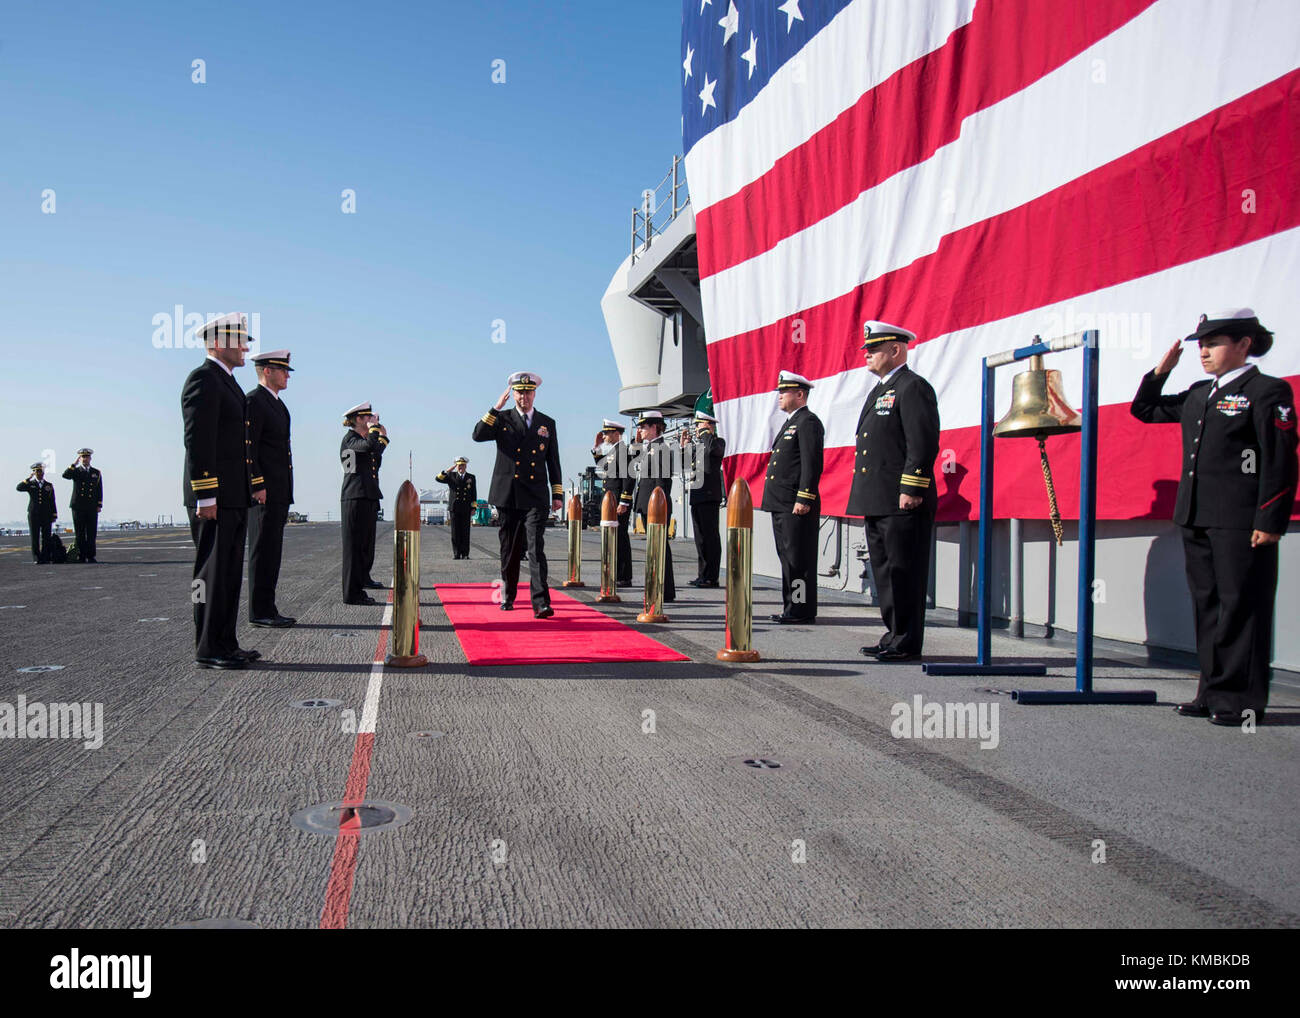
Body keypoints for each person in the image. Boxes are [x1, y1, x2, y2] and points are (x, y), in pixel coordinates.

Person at [1131, 308, 1297, 726]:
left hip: (1243, 521)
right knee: (1208, 607)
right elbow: (1145, 410)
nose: (1204, 350)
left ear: (1244, 345)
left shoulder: (1266, 391)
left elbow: (1279, 461)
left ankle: (1241, 701)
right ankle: (1211, 692)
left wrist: (1270, 519)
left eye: (1214, 342)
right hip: (1197, 516)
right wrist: (1160, 372)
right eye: (1201, 344)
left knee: (1243, 608)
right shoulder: (1200, 392)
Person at [847, 321, 939, 661]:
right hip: (879, 498)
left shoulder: (912, 387)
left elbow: (922, 441)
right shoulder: (881, 390)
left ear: (896, 350)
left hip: (902, 499)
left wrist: (913, 486)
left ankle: (907, 640)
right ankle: (893, 634)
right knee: (885, 570)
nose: (867, 354)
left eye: (874, 348)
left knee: (904, 570)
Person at [181, 312, 257, 669]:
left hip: (232, 496)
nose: (245, 347)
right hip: (214, 497)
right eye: (239, 340)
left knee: (228, 571)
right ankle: (208, 647)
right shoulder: (203, 379)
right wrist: (206, 495)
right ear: (216, 343)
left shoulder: (227, 382)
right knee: (211, 574)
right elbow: (198, 441)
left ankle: (226, 642)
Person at [472, 372, 563, 617]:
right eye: (520, 392)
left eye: (528, 392)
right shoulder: (501, 418)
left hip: (535, 495)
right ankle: (508, 595)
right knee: (510, 550)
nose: (524, 396)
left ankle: (541, 602)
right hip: (508, 495)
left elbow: (553, 460)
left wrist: (557, 493)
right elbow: (477, 435)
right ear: (513, 394)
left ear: (535, 394)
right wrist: (495, 407)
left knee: (535, 548)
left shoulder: (547, 422)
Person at [760, 372, 824, 623]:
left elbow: (811, 463)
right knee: (787, 558)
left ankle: (800, 610)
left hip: (795, 504)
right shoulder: (791, 422)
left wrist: (805, 497)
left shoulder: (807, 422)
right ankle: (791, 607)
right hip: (782, 503)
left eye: (784, 392)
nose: (779, 396)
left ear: (800, 394)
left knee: (798, 560)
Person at [246, 349, 296, 627]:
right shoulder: (255, 401)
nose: (288, 375)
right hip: (264, 492)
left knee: (272, 551)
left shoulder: (278, 404)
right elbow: (249, 447)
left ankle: (269, 606)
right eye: (283, 370)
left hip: (279, 490)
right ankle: (260, 611)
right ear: (267, 370)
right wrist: (257, 484)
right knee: (262, 551)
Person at [340, 402, 388, 605]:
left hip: (367, 496)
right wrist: (375, 430)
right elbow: (369, 446)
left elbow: (375, 453)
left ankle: (363, 579)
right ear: (358, 419)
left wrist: (383, 436)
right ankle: (352, 593)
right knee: (354, 548)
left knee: (366, 546)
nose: (371, 421)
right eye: (368, 418)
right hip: (355, 497)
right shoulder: (350, 439)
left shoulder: (360, 439)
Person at [631, 410, 676, 602]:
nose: (640, 430)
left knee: (659, 548)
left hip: (656, 507)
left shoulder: (661, 449)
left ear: (655, 427)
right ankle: (658, 587)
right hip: (647, 505)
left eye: (643, 426)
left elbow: (662, 484)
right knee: (654, 548)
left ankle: (664, 590)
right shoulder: (649, 448)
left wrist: (658, 506)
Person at [682, 410, 726, 588]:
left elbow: (714, 450)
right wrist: (685, 446)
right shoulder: (700, 444)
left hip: (709, 495)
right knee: (700, 538)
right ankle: (702, 574)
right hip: (697, 494)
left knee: (711, 537)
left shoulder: (716, 442)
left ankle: (712, 576)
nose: (697, 428)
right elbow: (685, 465)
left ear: (709, 425)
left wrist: (706, 432)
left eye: (699, 424)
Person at [592, 418, 634, 587]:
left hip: (618, 502)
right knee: (614, 539)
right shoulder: (614, 451)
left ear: (617, 434)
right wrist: (597, 447)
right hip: (611, 501)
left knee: (621, 539)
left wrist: (624, 501)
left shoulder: (623, 451)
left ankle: (624, 576)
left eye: (608, 433)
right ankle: (618, 574)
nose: (605, 436)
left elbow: (628, 478)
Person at [62, 448, 102, 562]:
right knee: (79, 532)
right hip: (78, 506)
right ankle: (81, 555)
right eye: (83, 457)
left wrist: (99, 504)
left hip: (91, 506)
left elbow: (99, 490)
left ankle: (91, 555)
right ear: (80, 458)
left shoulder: (96, 473)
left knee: (91, 532)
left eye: (87, 457)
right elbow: (65, 475)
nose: (85, 459)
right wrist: (73, 465)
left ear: (90, 458)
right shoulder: (76, 471)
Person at [436, 457, 477, 559]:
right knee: (455, 532)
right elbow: (438, 478)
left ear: (465, 466)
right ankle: (456, 553)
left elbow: (474, 493)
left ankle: (465, 554)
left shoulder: (471, 477)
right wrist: (449, 470)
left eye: (462, 465)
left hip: (466, 508)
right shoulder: (451, 476)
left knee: (465, 532)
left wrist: (474, 508)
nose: (460, 467)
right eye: (459, 465)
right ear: (456, 466)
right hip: (454, 508)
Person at [17, 462, 57, 564]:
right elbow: (19, 488)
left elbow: (52, 500)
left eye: (41, 471)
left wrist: (54, 514)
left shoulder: (49, 485)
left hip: (46, 514)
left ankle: (45, 556)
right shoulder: (30, 484)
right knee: (35, 537)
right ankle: (36, 557)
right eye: (37, 471)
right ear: (34, 472)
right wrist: (28, 479)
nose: (39, 473)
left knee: (46, 537)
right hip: (34, 514)